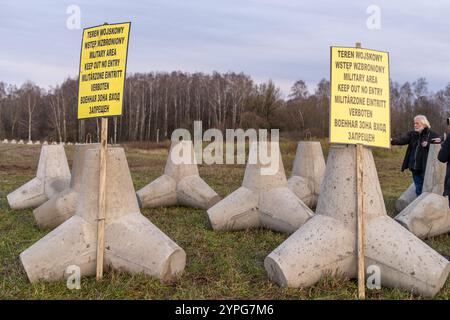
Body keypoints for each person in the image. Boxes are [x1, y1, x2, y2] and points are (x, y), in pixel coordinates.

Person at [391, 115, 441, 196]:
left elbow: (440, 147)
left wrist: (428, 145)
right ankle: (420, 205)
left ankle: (426, 206)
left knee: (426, 189)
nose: (415, 125)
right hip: (414, 168)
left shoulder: (432, 135)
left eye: (417, 123)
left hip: (426, 168)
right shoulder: (412, 134)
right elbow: (402, 140)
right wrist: (392, 141)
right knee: (418, 189)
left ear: (424, 124)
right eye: (414, 123)